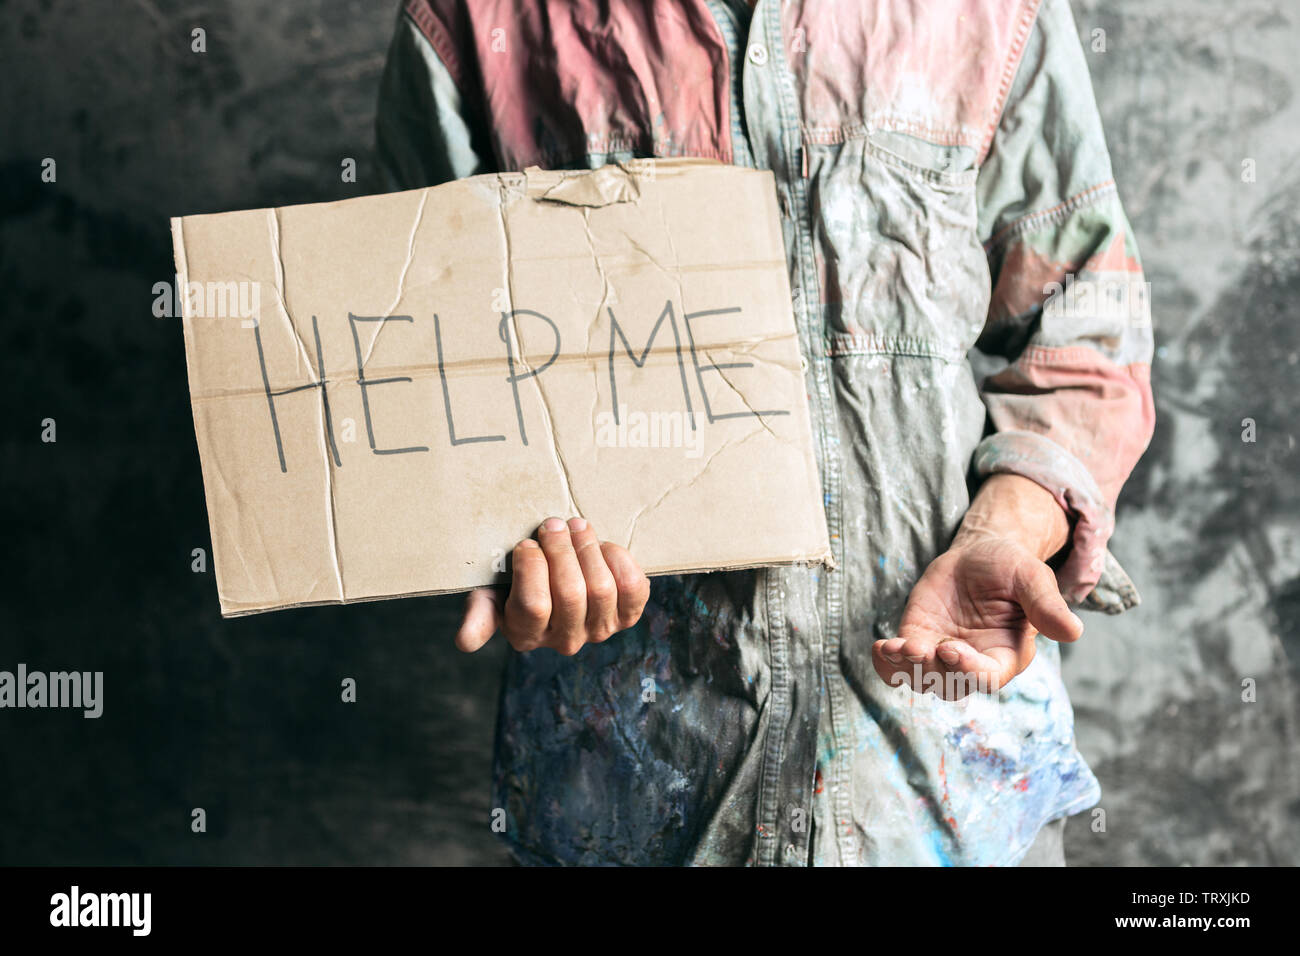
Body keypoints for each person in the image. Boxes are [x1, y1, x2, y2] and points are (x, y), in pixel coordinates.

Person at [375, 0, 1154, 866]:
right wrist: (505, 545)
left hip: (948, 796)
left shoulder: (993, 11)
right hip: (634, 803)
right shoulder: (475, 23)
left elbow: (1086, 331)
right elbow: (421, 375)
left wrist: (1008, 527)